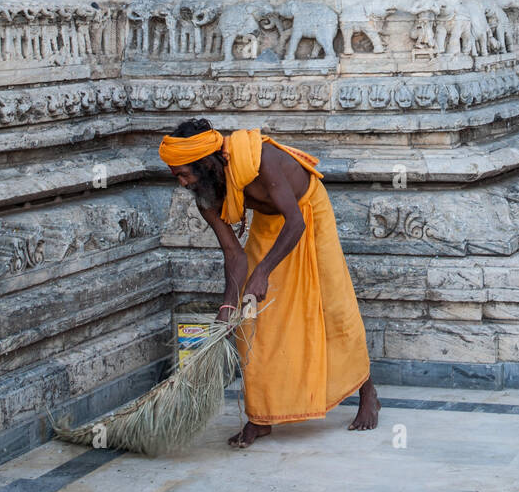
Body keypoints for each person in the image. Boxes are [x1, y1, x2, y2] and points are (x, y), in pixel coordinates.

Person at [158, 118, 380, 447]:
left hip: (307, 213)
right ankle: (260, 418)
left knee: (332, 306)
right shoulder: (206, 194)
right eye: (176, 176)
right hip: (270, 223)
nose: (181, 183)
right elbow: (233, 255)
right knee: (254, 324)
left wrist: (262, 272)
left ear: (206, 164)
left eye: (183, 174)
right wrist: (227, 307)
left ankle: (367, 391)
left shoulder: (263, 161)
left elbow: (296, 223)